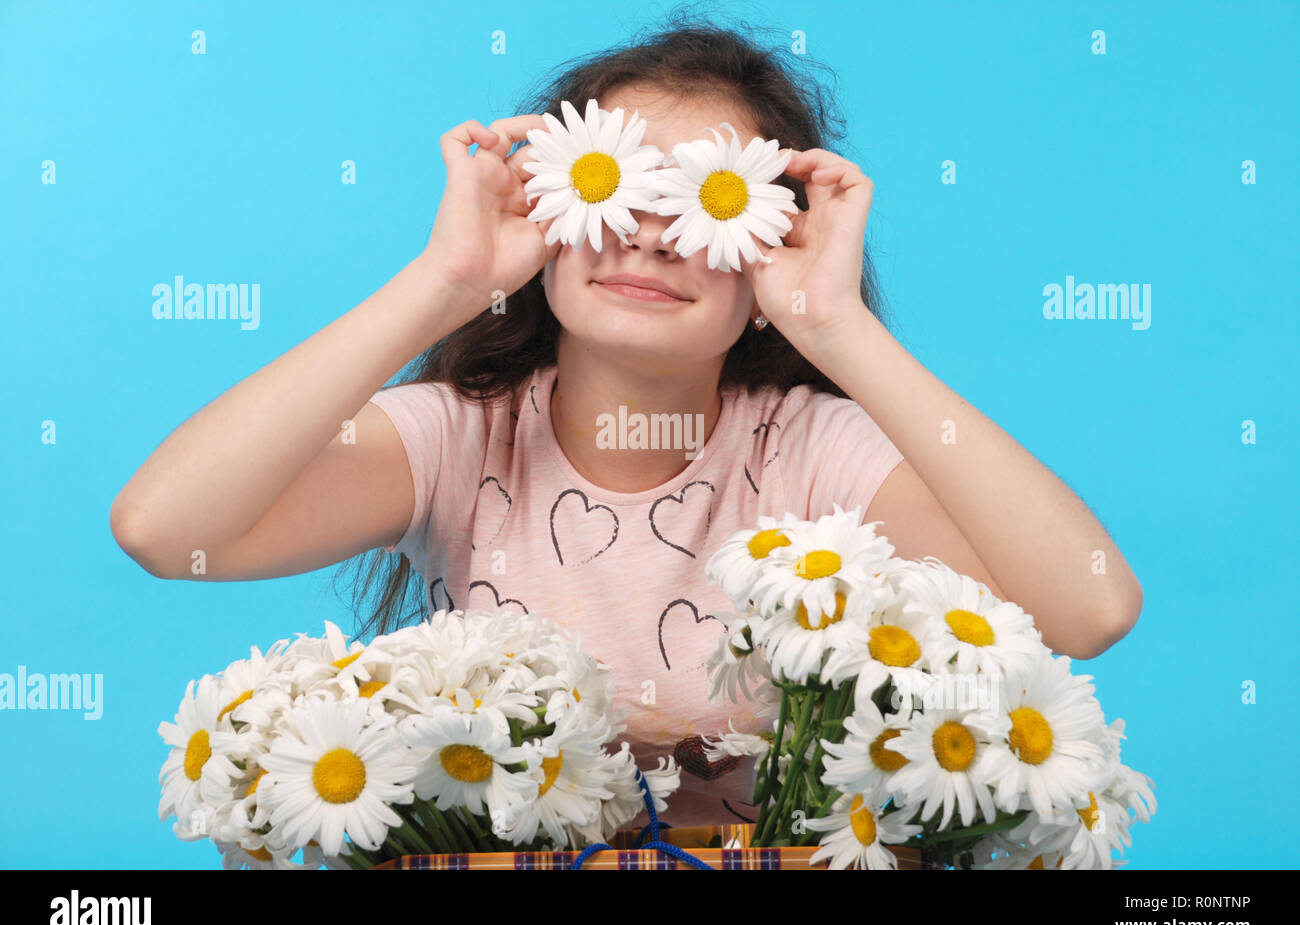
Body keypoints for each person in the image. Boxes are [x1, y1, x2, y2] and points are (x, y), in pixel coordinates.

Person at [110, 20, 1142, 833]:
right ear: (543, 214)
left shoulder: (812, 451)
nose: (650, 231)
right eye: (617, 184)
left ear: (774, 250)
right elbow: (165, 528)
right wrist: (447, 283)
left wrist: (837, 328)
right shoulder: (455, 442)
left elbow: (1087, 609)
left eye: (710, 200)